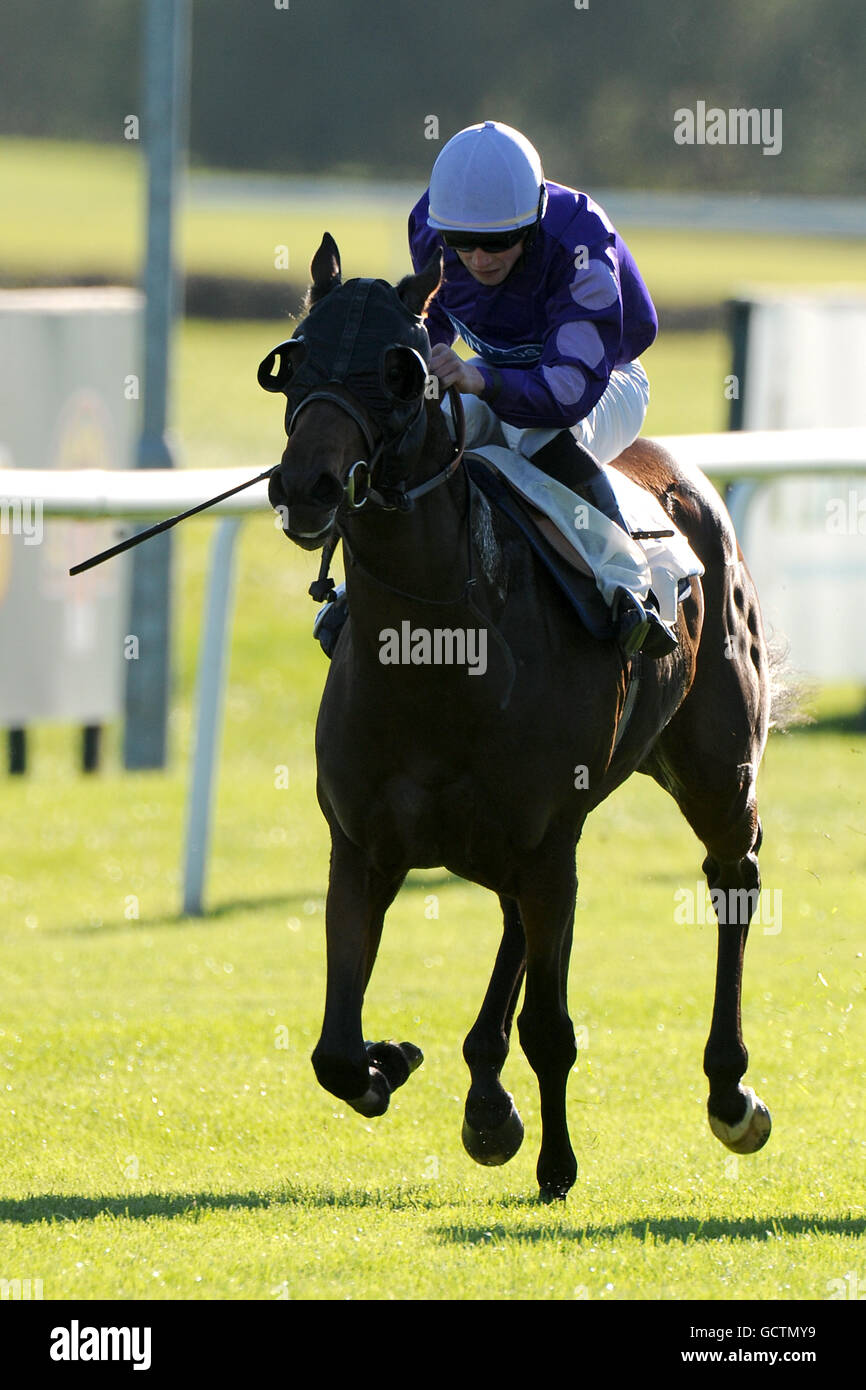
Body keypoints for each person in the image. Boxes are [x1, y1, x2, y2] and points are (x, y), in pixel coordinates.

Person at [314, 120, 676, 658]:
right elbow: (430, 323)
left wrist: (484, 379)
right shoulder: (431, 226)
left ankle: (626, 584)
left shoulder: (581, 244)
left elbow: (568, 388)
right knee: (432, 421)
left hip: (604, 380)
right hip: (498, 366)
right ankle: (365, 585)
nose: (479, 259)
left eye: (498, 243)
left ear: (531, 223)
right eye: (464, 244)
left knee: (530, 433)